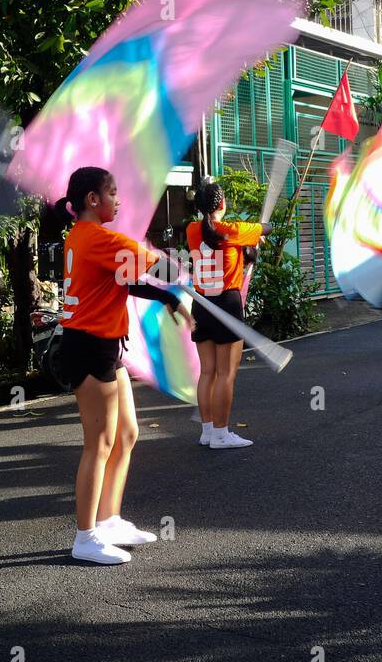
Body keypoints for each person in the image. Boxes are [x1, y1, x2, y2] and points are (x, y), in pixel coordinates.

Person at [56, 167, 194, 565]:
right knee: (97, 442)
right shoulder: (97, 237)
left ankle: (109, 518)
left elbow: (127, 281)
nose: (119, 200)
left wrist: (169, 299)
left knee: (127, 433)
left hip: (106, 344)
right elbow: (159, 267)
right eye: (112, 193)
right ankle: (85, 537)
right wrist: (182, 281)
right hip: (88, 345)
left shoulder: (85, 238)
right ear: (91, 200)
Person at [185, 180, 271, 449]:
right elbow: (265, 228)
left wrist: (249, 242)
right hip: (226, 304)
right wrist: (258, 232)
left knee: (207, 372)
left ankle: (208, 431)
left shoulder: (190, 230)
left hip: (201, 304)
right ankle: (222, 434)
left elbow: (228, 244)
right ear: (222, 204)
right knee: (226, 374)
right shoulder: (233, 230)